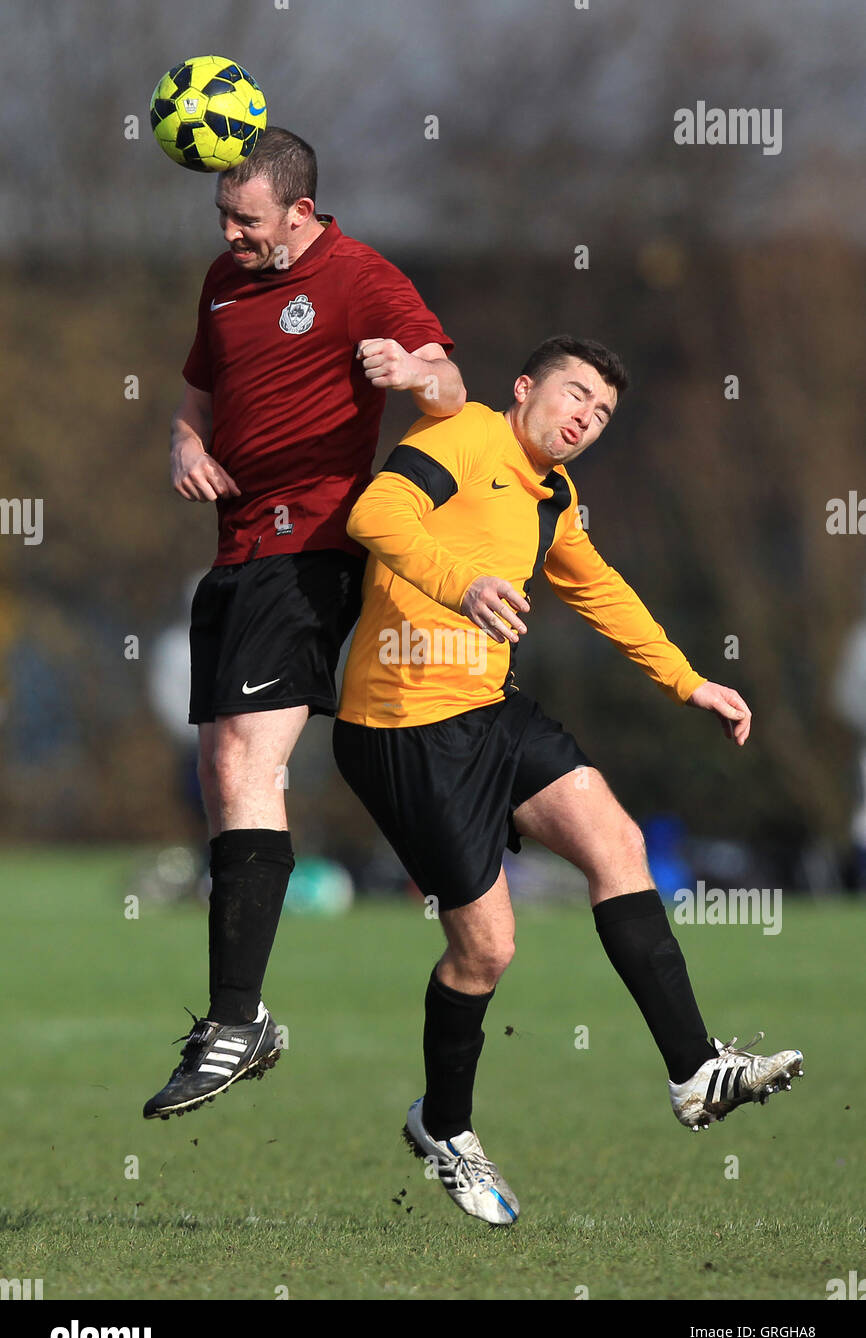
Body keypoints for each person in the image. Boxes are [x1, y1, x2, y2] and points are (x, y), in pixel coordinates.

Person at [332, 335, 804, 1225]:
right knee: (489, 950)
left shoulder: (555, 498)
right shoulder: (464, 436)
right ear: (523, 390)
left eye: (602, 413)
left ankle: (695, 1069)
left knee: (618, 843)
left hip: (488, 710)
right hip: (402, 727)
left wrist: (688, 679)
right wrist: (461, 582)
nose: (585, 417)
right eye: (575, 395)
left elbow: (602, 590)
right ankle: (444, 1127)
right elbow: (375, 515)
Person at [143, 127, 465, 1120]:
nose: (231, 234)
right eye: (221, 218)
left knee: (246, 761)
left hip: (312, 548)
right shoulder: (223, 279)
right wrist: (184, 443)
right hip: (234, 551)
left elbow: (451, 387)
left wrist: (408, 371)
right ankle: (248, 1018)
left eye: (246, 220)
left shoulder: (362, 275)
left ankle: (233, 1020)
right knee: (220, 770)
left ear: (300, 208)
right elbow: (197, 390)